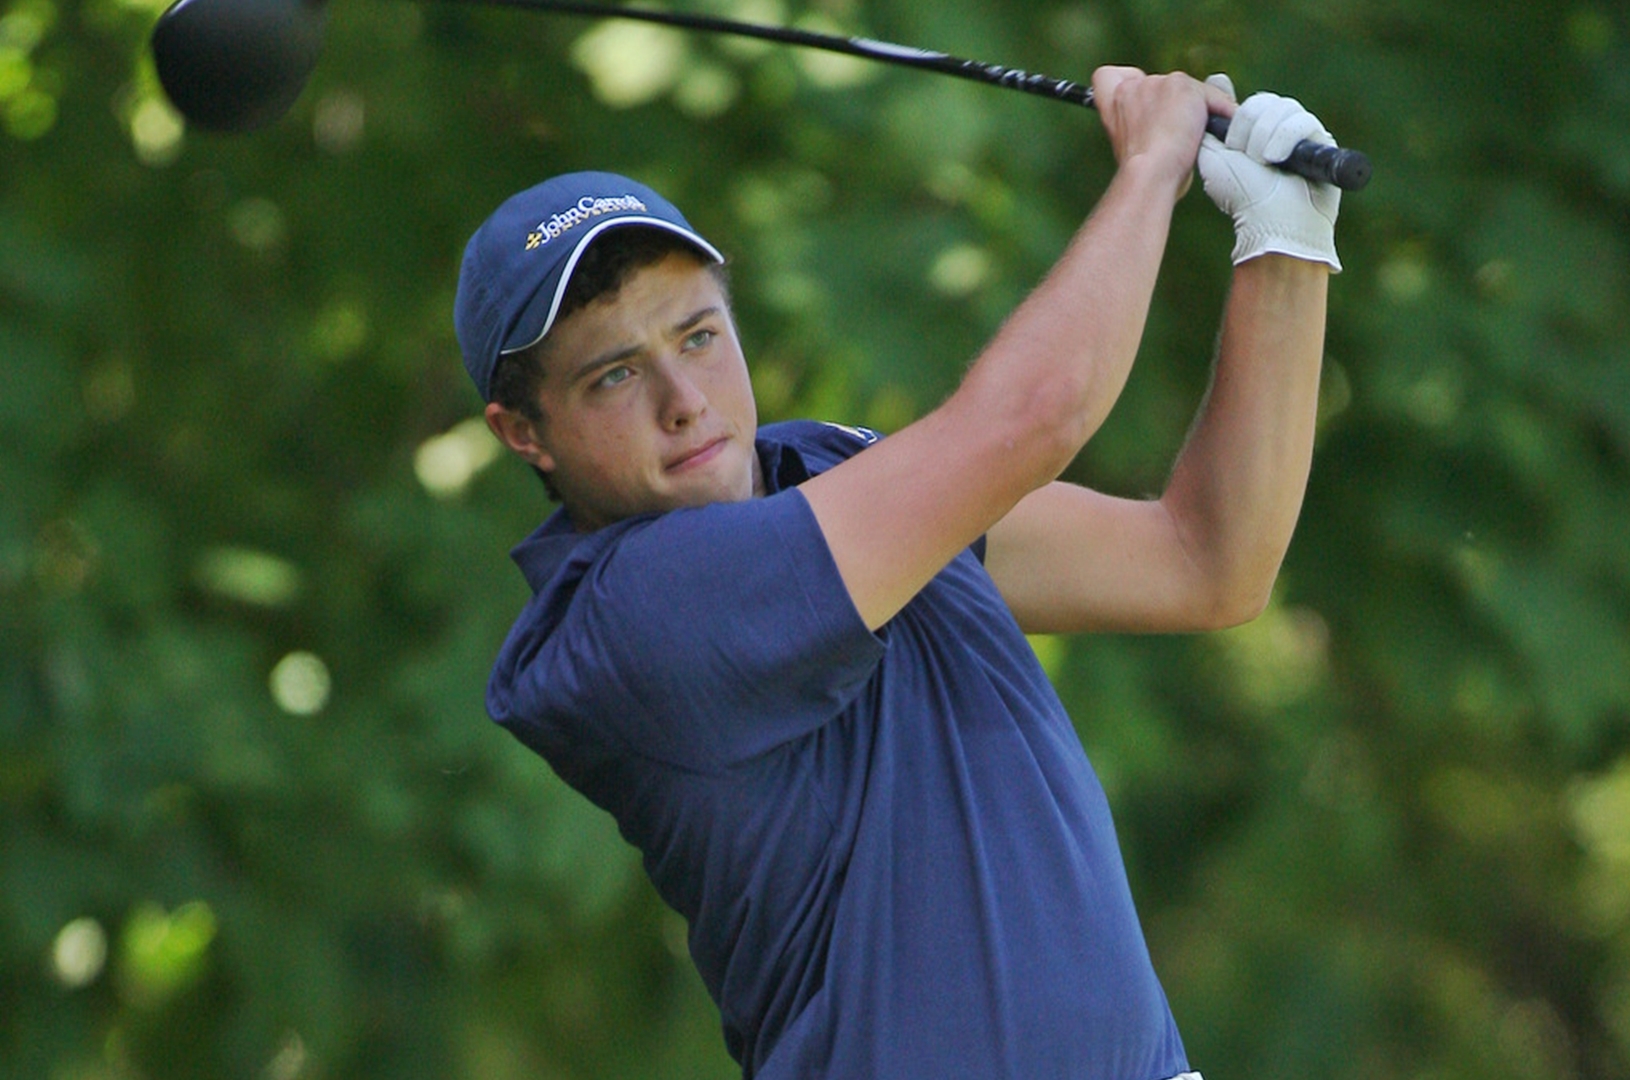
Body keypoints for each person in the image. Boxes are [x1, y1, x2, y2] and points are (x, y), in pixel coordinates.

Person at [452, 66, 1340, 1080]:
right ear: (524, 433)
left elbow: (1204, 560)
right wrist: (1150, 170)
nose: (685, 400)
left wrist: (1285, 245)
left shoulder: (828, 473)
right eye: (614, 375)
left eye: (699, 336)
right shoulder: (631, 618)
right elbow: (1029, 421)